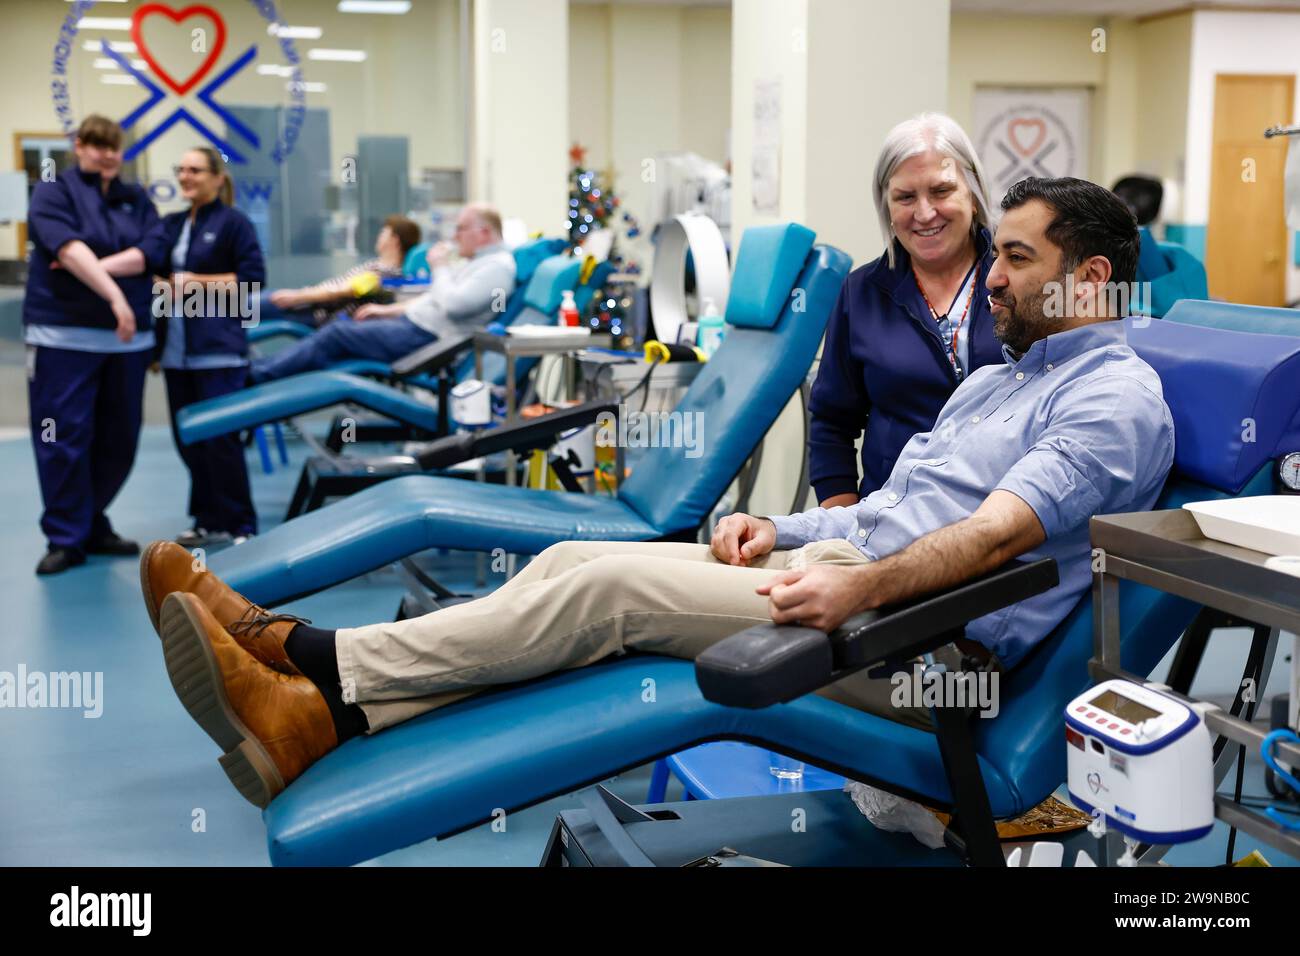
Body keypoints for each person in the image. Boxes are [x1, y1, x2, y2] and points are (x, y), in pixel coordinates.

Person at [140, 177, 1175, 808]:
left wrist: (858, 592)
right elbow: (885, 509)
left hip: (926, 647)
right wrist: (786, 525)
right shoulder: (1001, 375)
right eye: (993, 253)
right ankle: (321, 722)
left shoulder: (1113, 400)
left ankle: (307, 657)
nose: (989, 275)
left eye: (1015, 256)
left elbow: (994, 542)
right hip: (857, 570)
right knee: (568, 559)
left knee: (607, 600)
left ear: (1088, 277)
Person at [812, 113, 1004, 509]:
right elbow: (832, 423)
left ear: (973, 191)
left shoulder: (1017, 279)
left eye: (941, 190)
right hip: (891, 521)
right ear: (886, 203)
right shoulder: (860, 292)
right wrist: (842, 527)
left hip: (1006, 523)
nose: (924, 213)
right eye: (905, 197)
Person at [24, 115, 167, 575]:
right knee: (63, 436)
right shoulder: (54, 192)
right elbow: (66, 248)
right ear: (79, 145)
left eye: (114, 147)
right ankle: (66, 537)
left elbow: (152, 251)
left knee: (118, 439)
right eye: (97, 145)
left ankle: (92, 521)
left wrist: (97, 267)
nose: (106, 154)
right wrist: (114, 296)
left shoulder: (136, 198)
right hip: (64, 336)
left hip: (128, 344)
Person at [246, 204, 516, 384]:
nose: (455, 236)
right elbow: (434, 297)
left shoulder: (497, 269)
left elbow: (454, 305)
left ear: (482, 233)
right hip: (412, 326)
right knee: (336, 332)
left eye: (460, 229)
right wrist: (388, 311)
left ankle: (255, 375)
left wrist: (440, 267)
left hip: (427, 339)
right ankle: (251, 366)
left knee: (336, 333)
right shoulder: (476, 263)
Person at [151, 147, 265, 548]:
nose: (186, 177)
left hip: (218, 349)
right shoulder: (172, 223)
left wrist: (190, 283)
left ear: (217, 178)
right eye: (181, 170)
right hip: (176, 352)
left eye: (195, 170)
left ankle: (240, 523)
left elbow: (252, 280)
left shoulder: (235, 224)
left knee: (221, 440)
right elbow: (153, 272)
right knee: (190, 441)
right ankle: (205, 518)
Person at [257, 214, 418, 326]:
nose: (379, 236)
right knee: (244, 305)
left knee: (244, 305)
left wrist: (298, 296)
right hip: (307, 302)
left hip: (312, 311)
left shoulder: (384, 274)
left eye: (384, 232)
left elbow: (343, 290)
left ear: (395, 240)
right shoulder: (378, 266)